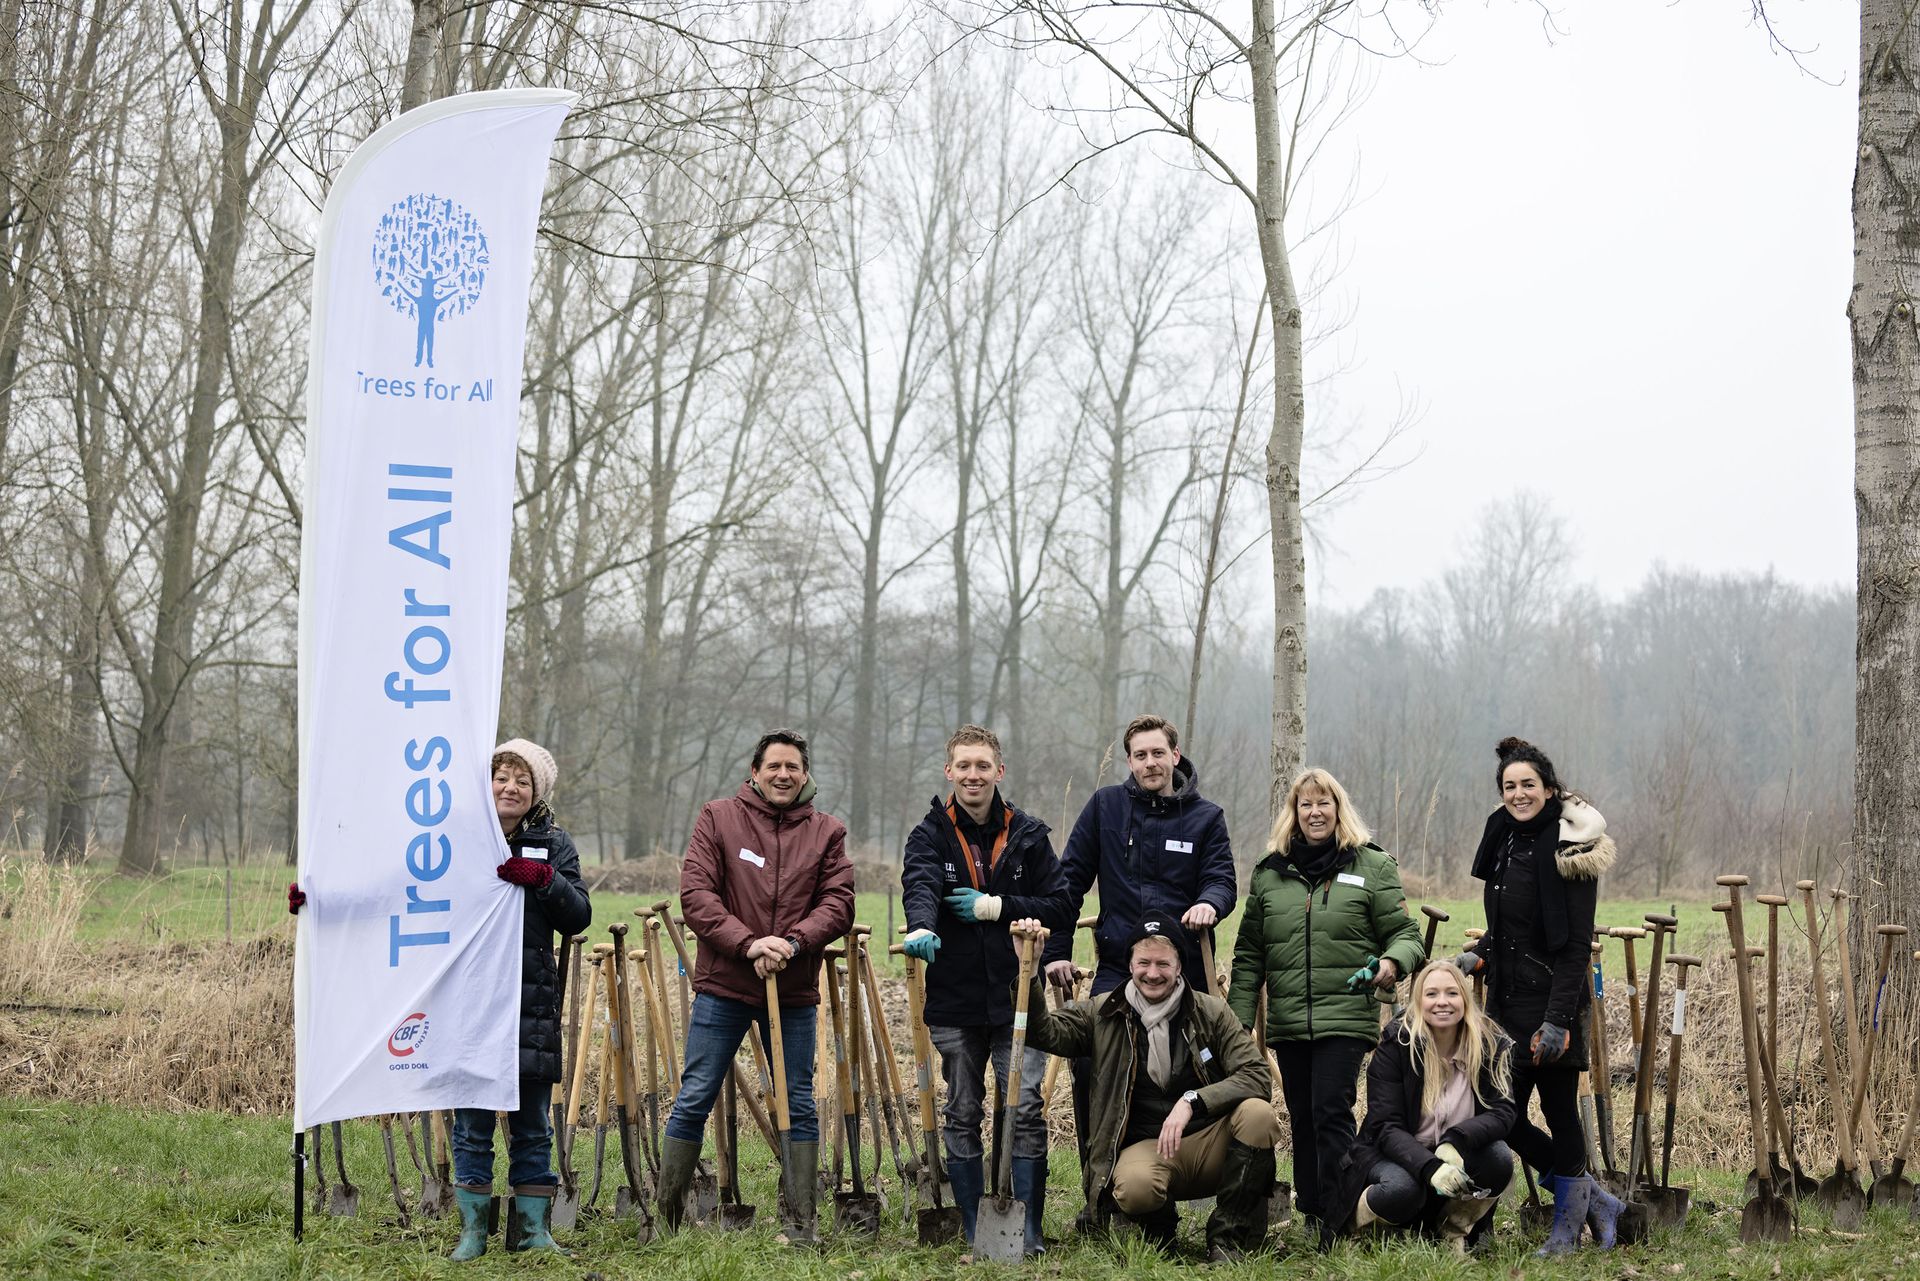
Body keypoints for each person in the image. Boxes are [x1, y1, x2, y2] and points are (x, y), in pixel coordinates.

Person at [660, 728, 854, 1245]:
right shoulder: (718, 818)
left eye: (793, 767)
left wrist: (791, 943)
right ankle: (666, 1216)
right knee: (696, 1093)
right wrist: (749, 944)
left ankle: (800, 1221)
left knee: (797, 1099)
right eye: (774, 767)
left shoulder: (827, 832)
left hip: (790, 991)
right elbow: (696, 894)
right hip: (725, 984)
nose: (783, 775)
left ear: (805, 774)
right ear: (755, 772)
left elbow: (838, 902)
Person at [1043, 715, 1236, 1219]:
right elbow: (1067, 885)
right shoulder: (1106, 808)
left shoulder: (1205, 817)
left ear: (1176, 756)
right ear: (1129, 761)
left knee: (1185, 1072)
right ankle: (1102, 1197)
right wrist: (1056, 950)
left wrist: (1210, 903)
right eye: (1140, 755)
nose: (1150, 763)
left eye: (1158, 753)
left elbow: (1221, 877)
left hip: (1184, 972)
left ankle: (1176, 1183)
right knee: (1094, 1068)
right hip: (1118, 970)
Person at [1226, 767, 1424, 1248]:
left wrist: (1391, 964)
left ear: (1339, 809)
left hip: (1346, 1017)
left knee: (1331, 1113)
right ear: (1293, 814)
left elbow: (1407, 936)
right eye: (1305, 805)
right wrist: (1234, 1020)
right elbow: (1250, 954)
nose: (1315, 812)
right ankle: (1315, 1212)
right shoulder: (1271, 872)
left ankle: (1337, 1223)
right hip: (1290, 1022)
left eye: (1324, 803)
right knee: (1303, 1116)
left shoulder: (1372, 866)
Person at [1017, 914, 1280, 1261]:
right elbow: (1043, 1033)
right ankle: (1159, 1227)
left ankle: (1228, 1236)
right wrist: (1031, 968)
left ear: (1179, 967)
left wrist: (1193, 1101)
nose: (1152, 973)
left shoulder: (1211, 1012)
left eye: (1163, 963)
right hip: (1147, 1148)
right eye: (1143, 962)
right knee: (1136, 1188)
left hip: (1207, 1143)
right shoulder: (1102, 1013)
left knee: (1258, 1115)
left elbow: (1257, 1075)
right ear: (1129, 964)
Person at [900, 725, 1072, 1254]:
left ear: (999, 771)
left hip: (1020, 999)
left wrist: (998, 908)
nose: (973, 775)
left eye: (983, 765)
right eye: (963, 766)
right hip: (954, 1002)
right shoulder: (930, 834)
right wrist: (921, 925)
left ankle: (1030, 1230)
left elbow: (1062, 903)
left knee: (1022, 1109)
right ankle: (978, 1228)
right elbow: (921, 882)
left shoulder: (1029, 835)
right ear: (949, 772)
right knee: (964, 1109)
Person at [1450, 736, 1624, 1255]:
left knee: (1560, 1113)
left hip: (1556, 1004)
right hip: (1505, 1006)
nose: (1519, 794)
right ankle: (1591, 1201)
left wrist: (1558, 1020)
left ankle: (1567, 1232)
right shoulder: (1502, 838)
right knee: (1500, 1116)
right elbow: (1508, 926)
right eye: (1510, 786)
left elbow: (1573, 947)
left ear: (1550, 789)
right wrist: (1481, 951)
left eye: (1529, 784)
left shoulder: (1572, 849)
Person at [447, 738, 593, 1260]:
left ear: (536, 793)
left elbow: (578, 915)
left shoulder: (553, 843)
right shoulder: (454, 839)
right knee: (472, 1122)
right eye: (501, 775)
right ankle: (472, 1232)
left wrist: (546, 880)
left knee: (532, 1121)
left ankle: (533, 1231)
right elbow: (401, 893)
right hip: (468, 1000)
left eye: (522, 780)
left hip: (529, 1002)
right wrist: (318, 901)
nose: (510, 787)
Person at [1331, 960, 1516, 1254]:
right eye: (1431, 994)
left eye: (1452, 994)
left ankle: (1450, 1233)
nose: (1442, 1002)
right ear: (1418, 1001)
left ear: (1465, 1000)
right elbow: (1385, 1127)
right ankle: (1358, 1231)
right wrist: (1430, 1166)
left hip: (1453, 1152)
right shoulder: (1397, 1045)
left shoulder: (1488, 1045)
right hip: (1392, 1153)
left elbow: (1503, 1112)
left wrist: (1455, 1141)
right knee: (1403, 1189)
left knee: (1499, 1158)